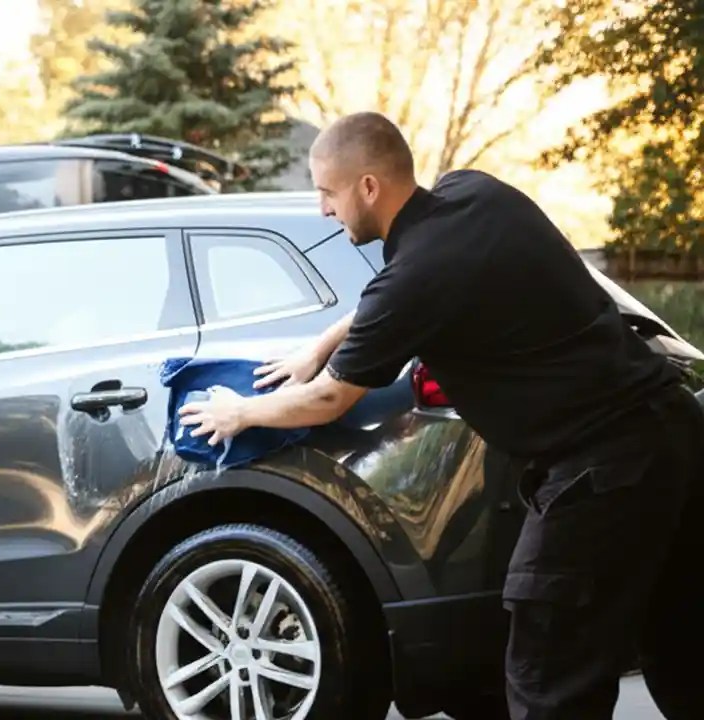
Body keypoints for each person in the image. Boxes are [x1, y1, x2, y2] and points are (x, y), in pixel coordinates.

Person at [177, 111, 704, 719]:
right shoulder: (474, 193)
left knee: (548, 665)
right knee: (683, 640)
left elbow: (331, 398)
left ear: (368, 186)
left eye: (327, 192)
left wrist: (240, 412)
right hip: (674, 432)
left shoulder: (415, 278)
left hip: (605, 467)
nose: (324, 209)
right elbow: (407, 293)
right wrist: (320, 345)